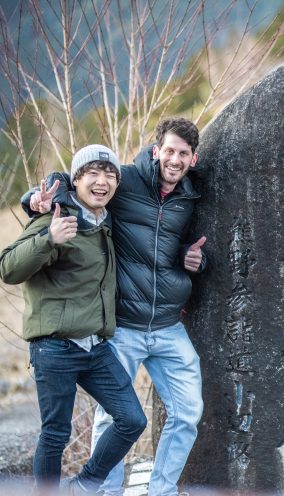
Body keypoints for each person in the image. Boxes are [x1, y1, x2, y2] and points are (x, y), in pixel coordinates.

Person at [25, 118, 206, 496]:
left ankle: (162, 490)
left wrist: (197, 261)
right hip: (123, 324)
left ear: (193, 158)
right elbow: (72, 179)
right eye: (169, 151)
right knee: (113, 417)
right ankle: (103, 491)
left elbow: (194, 246)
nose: (175, 159)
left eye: (183, 154)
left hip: (170, 326)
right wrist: (33, 200)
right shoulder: (124, 182)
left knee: (188, 412)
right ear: (157, 151)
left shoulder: (191, 195)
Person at [1, 145, 147, 495]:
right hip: (54, 346)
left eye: (110, 174)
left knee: (132, 419)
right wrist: (47, 239)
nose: (102, 181)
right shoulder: (55, 215)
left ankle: (83, 486)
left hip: (95, 347)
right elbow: (7, 268)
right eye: (92, 173)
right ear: (76, 180)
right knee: (55, 433)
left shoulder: (104, 221)